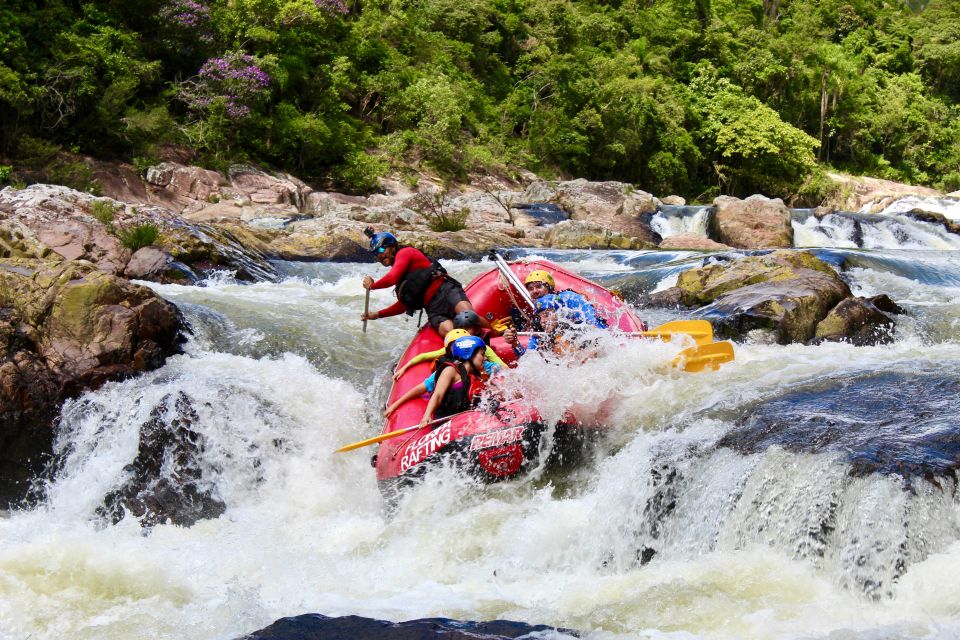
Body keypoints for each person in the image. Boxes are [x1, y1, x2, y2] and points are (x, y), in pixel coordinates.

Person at [359, 228, 487, 336]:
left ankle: (497, 333)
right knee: (450, 332)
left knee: (468, 317)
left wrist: (373, 286)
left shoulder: (406, 253)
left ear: (392, 247)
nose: (380, 255)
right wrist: (376, 315)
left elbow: (391, 278)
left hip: (446, 291)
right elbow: (403, 306)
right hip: (433, 309)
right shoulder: (402, 282)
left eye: (381, 250)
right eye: (376, 253)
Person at [392, 310, 506, 380]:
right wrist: (404, 368)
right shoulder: (454, 349)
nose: (463, 335)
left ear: (476, 330)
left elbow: (503, 367)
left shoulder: (485, 350)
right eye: (461, 330)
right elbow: (424, 356)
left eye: (467, 330)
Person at [502, 269, 605, 345]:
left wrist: (594, 330)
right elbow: (528, 356)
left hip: (587, 333)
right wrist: (515, 343)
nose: (535, 291)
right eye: (531, 288)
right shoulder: (538, 317)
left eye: (539, 286)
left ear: (549, 287)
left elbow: (589, 316)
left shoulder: (567, 298)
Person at [419, 335, 495, 427]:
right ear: (469, 354)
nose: (485, 358)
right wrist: (427, 416)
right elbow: (438, 395)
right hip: (445, 423)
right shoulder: (450, 371)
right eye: (482, 354)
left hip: (465, 422)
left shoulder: (477, 375)